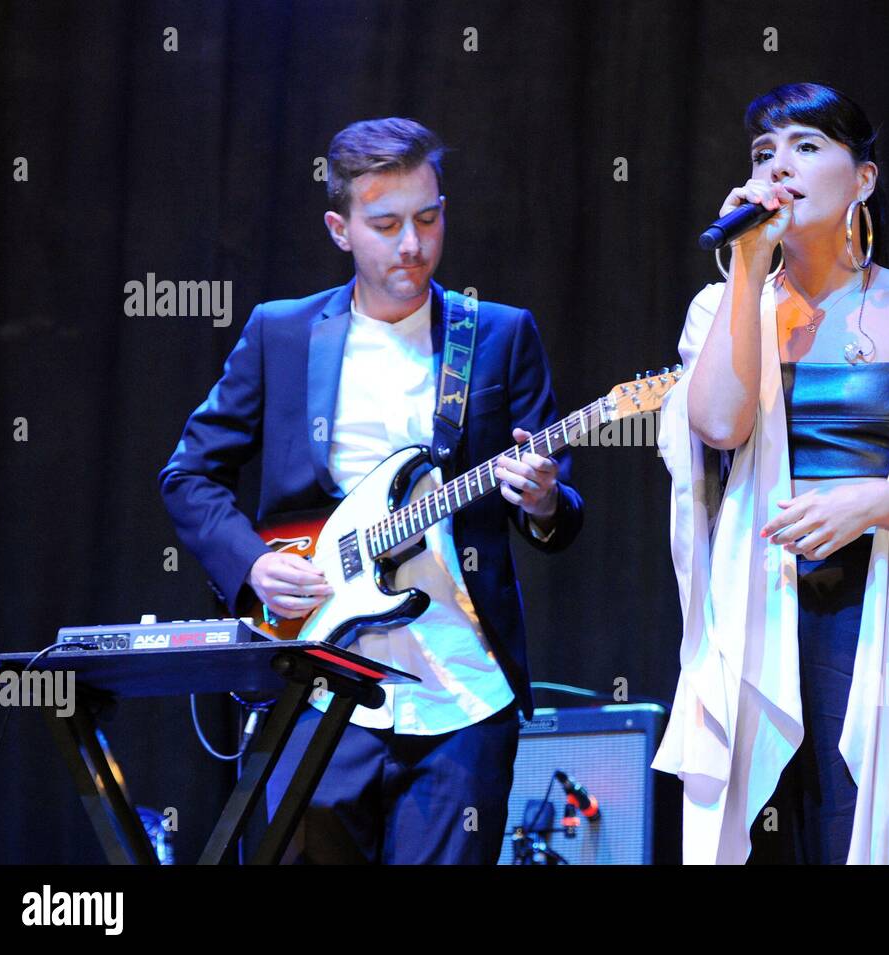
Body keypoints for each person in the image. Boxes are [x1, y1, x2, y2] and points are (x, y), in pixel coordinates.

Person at [159, 117, 584, 864]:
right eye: (385, 224)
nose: (412, 245)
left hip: (463, 690)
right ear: (340, 227)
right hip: (317, 675)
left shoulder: (498, 335)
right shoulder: (281, 334)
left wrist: (544, 499)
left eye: (428, 217)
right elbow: (189, 474)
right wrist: (253, 567)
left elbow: (556, 513)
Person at [652, 83, 889, 864]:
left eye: (806, 145)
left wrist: (878, 500)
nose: (778, 165)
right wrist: (748, 269)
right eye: (763, 152)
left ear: (863, 178)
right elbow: (719, 424)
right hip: (763, 620)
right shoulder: (720, 308)